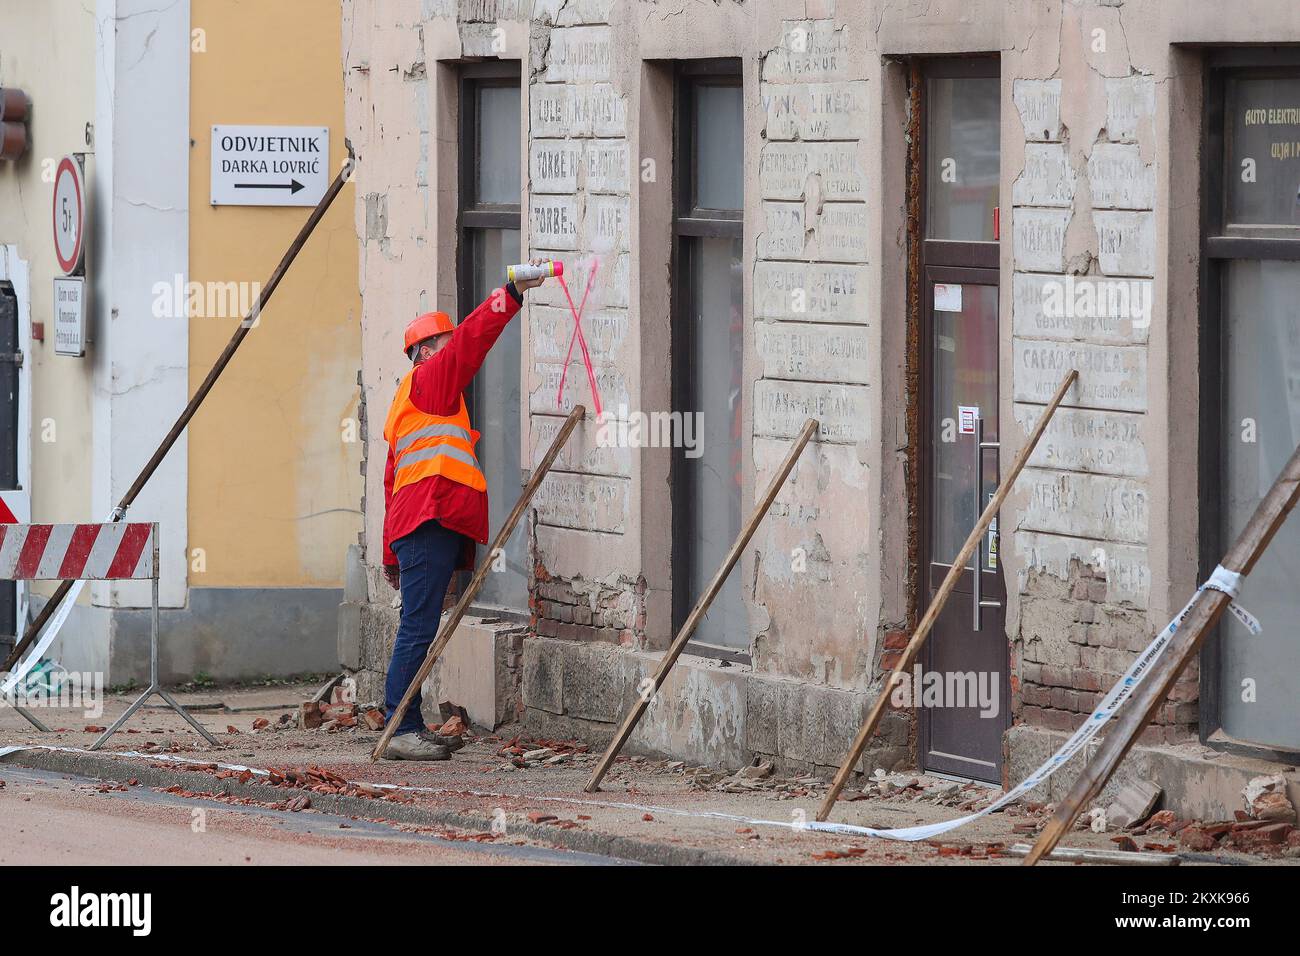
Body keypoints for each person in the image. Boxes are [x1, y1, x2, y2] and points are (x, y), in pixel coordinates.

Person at [379, 262, 550, 760]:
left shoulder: (414, 402)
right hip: (429, 520)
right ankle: (399, 726)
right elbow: (473, 340)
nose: (452, 350)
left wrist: (392, 553)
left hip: (423, 523)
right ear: (425, 353)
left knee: (419, 620)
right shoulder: (430, 381)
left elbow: (391, 482)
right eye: (443, 344)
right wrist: (511, 294)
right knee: (418, 624)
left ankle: (404, 720)